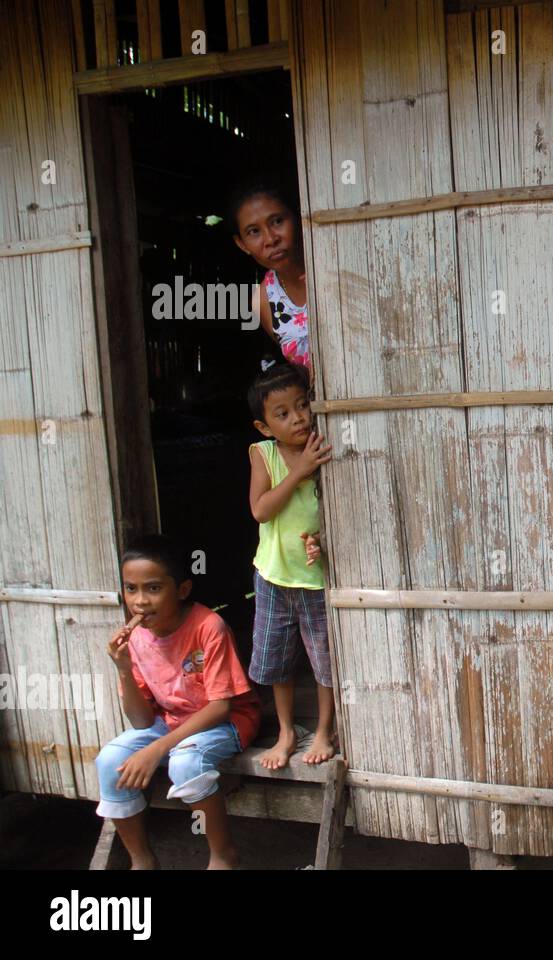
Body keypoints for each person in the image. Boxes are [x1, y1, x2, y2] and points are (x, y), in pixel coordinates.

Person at [95, 535, 261, 869]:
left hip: (226, 721)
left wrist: (157, 750)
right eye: (131, 589)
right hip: (171, 720)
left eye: (153, 588)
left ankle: (222, 854)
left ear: (182, 590)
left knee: (183, 763)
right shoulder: (137, 638)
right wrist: (124, 670)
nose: (140, 601)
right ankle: (142, 860)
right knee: (109, 760)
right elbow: (142, 722)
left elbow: (220, 707)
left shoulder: (208, 627)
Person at [247, 362, 335, 769]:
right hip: (273, 577)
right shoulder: (264, 454)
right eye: (282, 413)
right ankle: (286, 731)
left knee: (325, 661)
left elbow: (329, 510)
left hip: (315, 578)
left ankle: (323, 730)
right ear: (264, 427)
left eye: (302, 405)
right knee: (277, 662)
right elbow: (261, 511)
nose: (297, 417)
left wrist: (321, 541)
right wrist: (298, 471)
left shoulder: (323, 444)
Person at [228, 179, 313, 377]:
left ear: (299, 217)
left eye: (277, 221)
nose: (270, 239)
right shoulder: (263, 300)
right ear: (242, 244)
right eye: (254, 231)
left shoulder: (332, 266)